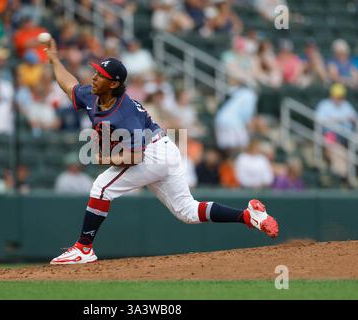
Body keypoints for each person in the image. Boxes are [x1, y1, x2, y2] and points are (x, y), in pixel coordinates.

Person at [43, 39, 279, 265]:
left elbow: (135, 156)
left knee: (102, 187)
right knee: (187, 211)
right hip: (165, 150)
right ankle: (249, 216)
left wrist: (107, 158)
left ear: (113, 84)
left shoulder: (123, 114)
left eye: (100, 76)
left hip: (152, 154)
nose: (94, 78)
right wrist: (54, 59)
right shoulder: (94, 95)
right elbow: (69, 85)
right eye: (95, 73)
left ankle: (84, 248)